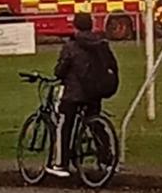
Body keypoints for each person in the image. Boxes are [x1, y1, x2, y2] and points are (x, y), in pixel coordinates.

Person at [47, 12, 116, 177]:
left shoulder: (71, 46)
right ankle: (107, 159)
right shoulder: (101, 43)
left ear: (75, 26)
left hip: (75, 94)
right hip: (96, 92)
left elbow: (60, 71)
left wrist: (59, 73)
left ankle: (60, 164)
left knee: (64, 124)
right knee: (95, 123)